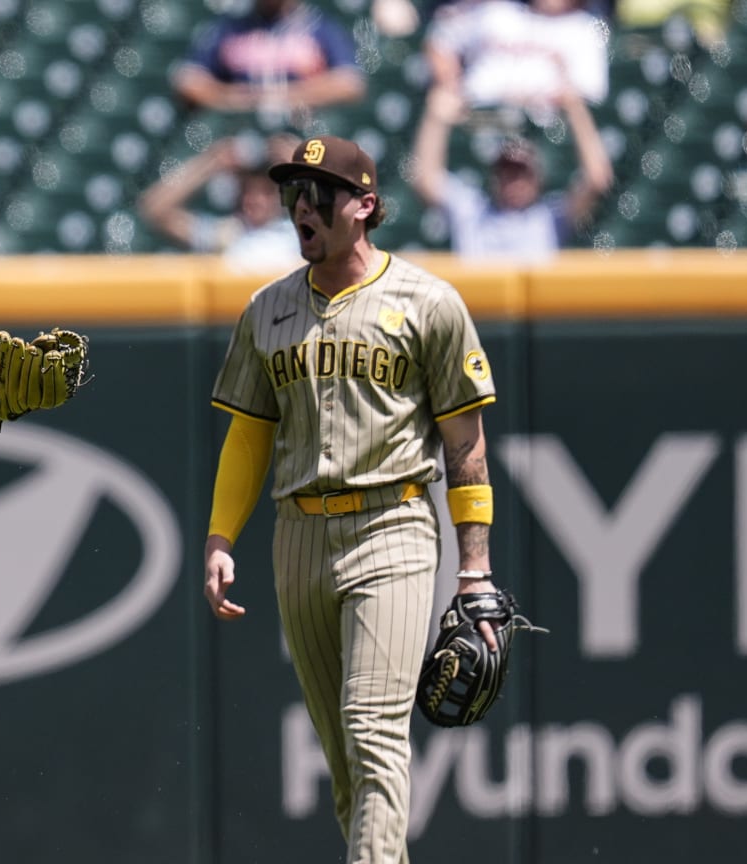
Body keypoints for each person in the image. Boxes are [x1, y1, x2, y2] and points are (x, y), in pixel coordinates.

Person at [202, 135, 503, 863]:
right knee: (345, 766)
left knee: (373, 733)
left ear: (365, 205)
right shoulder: (267, 309)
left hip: (392, 523)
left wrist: (475, 570)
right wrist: (218, 537)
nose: (302, 206)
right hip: (297, 537)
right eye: (292, 193)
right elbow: (248, 436)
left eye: (320, 193)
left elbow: (466, 446)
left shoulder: (427, 302)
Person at [409, 85, 614, 261]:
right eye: (507, 173)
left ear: (536, 180)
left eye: (522, 174)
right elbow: (425, 179)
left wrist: (576, 109)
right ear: (494, 178)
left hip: (536, 306)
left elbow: (596, 179)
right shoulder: (471, 212)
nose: (514, 182)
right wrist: (435, 118)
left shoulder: (549, 218)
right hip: (478, 305)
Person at [171, 0, 365, 124]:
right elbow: (188, 82)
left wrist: (282, 96)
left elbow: (350, 85)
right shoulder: (229, 25)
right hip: (238, 134)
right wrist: (232, 98)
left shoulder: (321, 25)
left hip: (303, 129)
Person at [137, 132, 302, 273]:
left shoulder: (300, 234)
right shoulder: (225, 233)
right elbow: (154, 210)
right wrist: (210, 163)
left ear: (279, 196)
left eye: (266, 192)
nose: (255, 200)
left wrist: (304, 166)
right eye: (247, 191)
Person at [424, 0, 609, 117]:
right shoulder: (498, 12)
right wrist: (450, 83)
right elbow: (440, 38)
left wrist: (526, 99)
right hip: (478, 118)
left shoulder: (584, 28)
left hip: (545, 125)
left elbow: (589, 94)